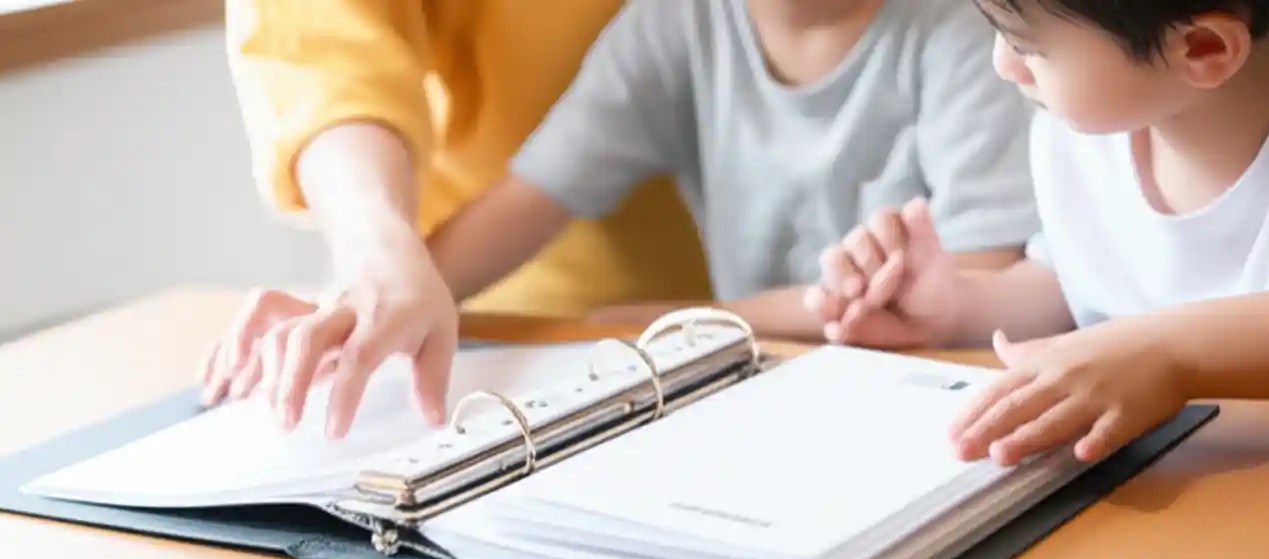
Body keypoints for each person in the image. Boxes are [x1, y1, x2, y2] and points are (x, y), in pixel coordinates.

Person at [205, 0, 1039, 439]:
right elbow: (529, 201)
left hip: (934, 405)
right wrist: (363, 300)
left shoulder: (969, 31)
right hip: (757, 398)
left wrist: (681, 323)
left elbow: (968, 295)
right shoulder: (676, 23)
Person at [810, 0, 1269, 467]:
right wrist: (953, 306)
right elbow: (1073, 283)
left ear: (1202, 49)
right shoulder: (1082, 137)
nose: (1003, 63)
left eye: (1023, 43)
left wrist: (1170, 355)